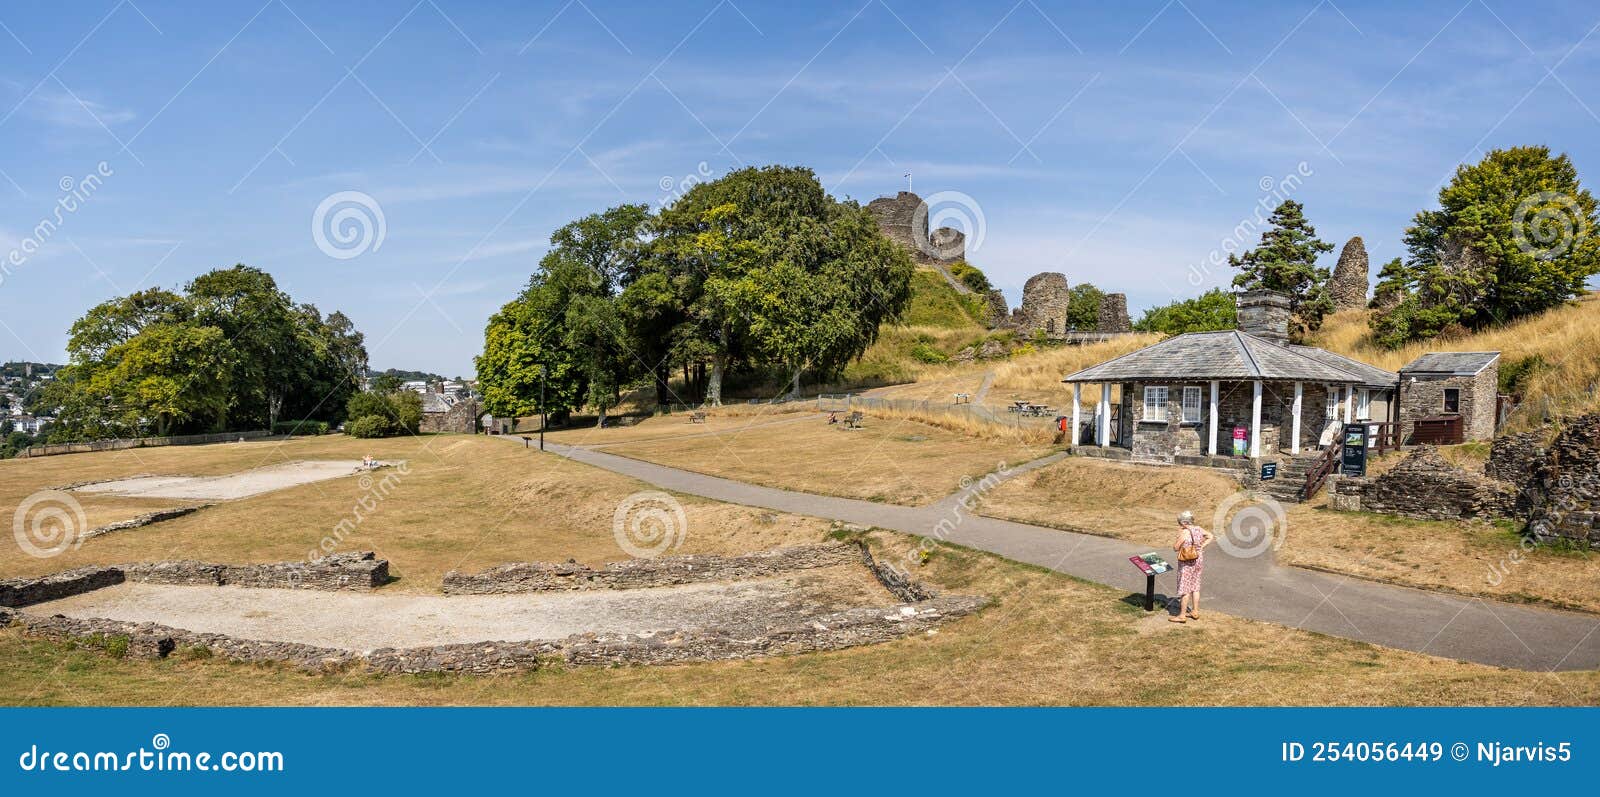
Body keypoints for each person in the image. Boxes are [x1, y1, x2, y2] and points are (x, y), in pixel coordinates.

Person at [1170, 510, 1213, 623]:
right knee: (1195, 586)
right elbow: (1210, 536)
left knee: (1185, 589)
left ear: (1184, 522)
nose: (1179, 525)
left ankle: (1182, 615)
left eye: (1180, 523)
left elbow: (1175, 548)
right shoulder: (1199, 529)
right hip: (1198, 559)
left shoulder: (1184, 532)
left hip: (1186, 562)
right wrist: (1201, 546)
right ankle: (1195, 611)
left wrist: (1178, 536)